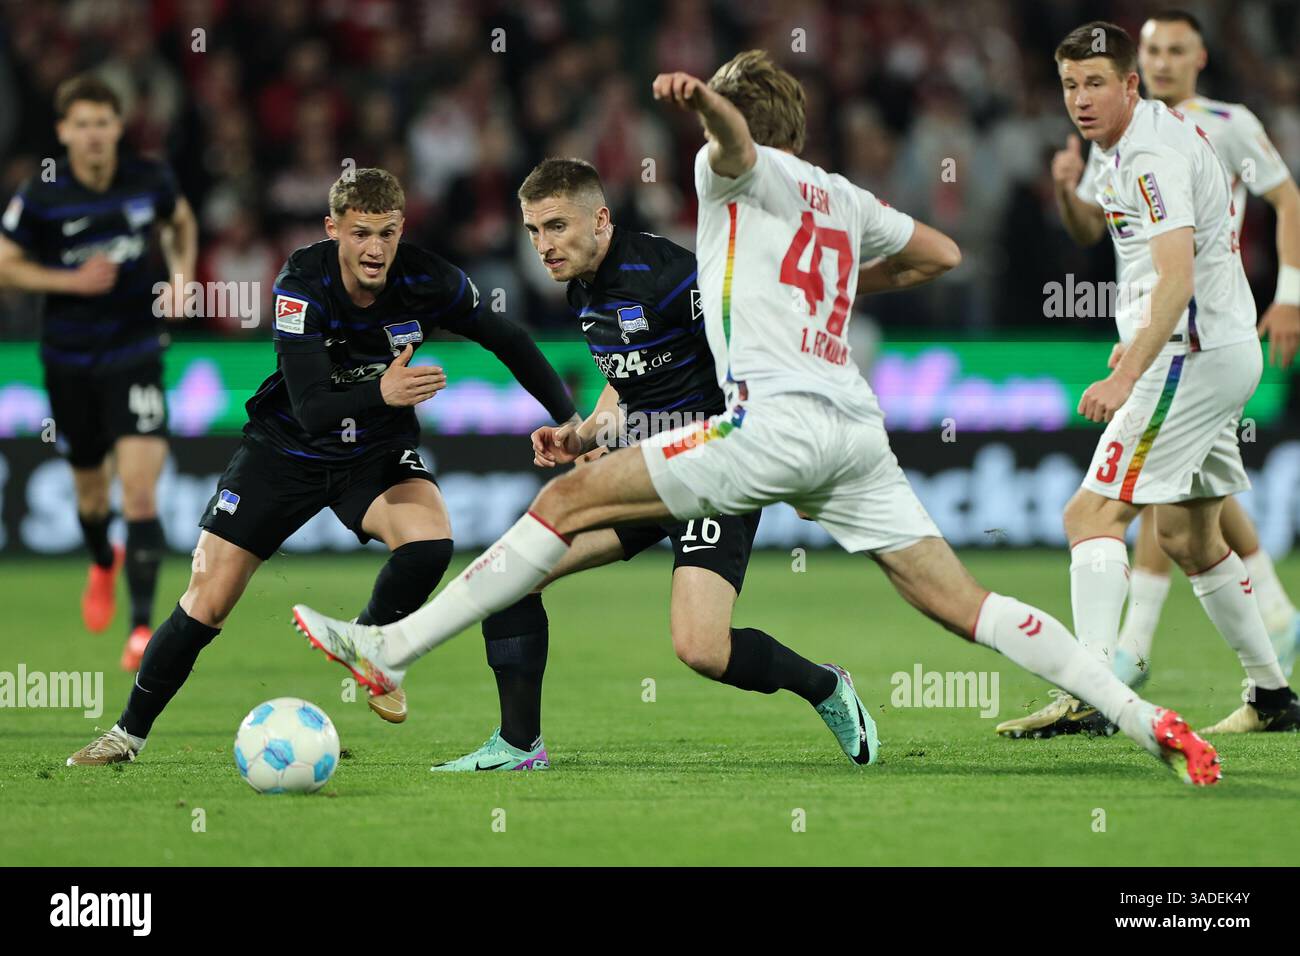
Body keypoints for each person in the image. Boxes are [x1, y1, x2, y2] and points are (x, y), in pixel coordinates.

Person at [294, 52, 1222, 785]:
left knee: (568, 500)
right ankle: (1146, 721)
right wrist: (845, 276)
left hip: (766, 427)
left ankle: (391, 646)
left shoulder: (728, 170)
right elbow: (940, 252)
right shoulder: (841, 198)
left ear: (732, 123)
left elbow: (734, 147)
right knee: (966, 606)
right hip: (855, 433)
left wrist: (702, 102)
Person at [65, 168, 578, 765]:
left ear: (401, 228)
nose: (375, 249)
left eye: (387, 233)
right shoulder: (301, 285)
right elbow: (310, 409)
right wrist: (382, 393)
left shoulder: (426, 278)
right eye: (361, 233)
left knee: (431, 541)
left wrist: (570, 419)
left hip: (374, 452)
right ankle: (126, 734)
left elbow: (508, 338)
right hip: (285, 449)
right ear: (333, 228)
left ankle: (368, 645)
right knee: (206, 602)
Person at [435, 157, 860, 773]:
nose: (542, 247)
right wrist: (580, 439)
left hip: (713, 477)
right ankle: (518, 746)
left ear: (601, 219)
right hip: (641, 471)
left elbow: (757, 353)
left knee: (701, 649)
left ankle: (825, 687)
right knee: (511, 575)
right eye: (532, 231)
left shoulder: (670, 277)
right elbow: (626, 384)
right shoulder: (584, 284)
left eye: (555, 227)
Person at [997, 21, 1298, 741]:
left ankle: (1095, 692)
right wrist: (1072, 194)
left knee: (1089, 516)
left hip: (1186, 356)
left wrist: (1130, 368)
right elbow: (1099, 238)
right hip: (1215, 351)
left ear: (1132, 83)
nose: (1081, 99)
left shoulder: (1154, 154)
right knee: (1191, 537)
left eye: (1097, 82)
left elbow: (1177, 278)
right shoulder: (1128, 145)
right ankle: (1272, 696)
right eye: (1070, 85)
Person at [0, 75, 197, 671]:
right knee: (90, 493)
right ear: (64, 132)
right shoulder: (42, 193)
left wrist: (184, 275)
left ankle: (140, 629)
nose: (92, 135)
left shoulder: (149, 178)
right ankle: (101, 560)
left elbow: (181, 219)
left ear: (118, 127)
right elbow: (6, 265)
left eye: (102, 123)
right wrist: (68, 281)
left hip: (136, 350)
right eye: (80, 125)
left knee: (139, 491)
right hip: (68, 358)